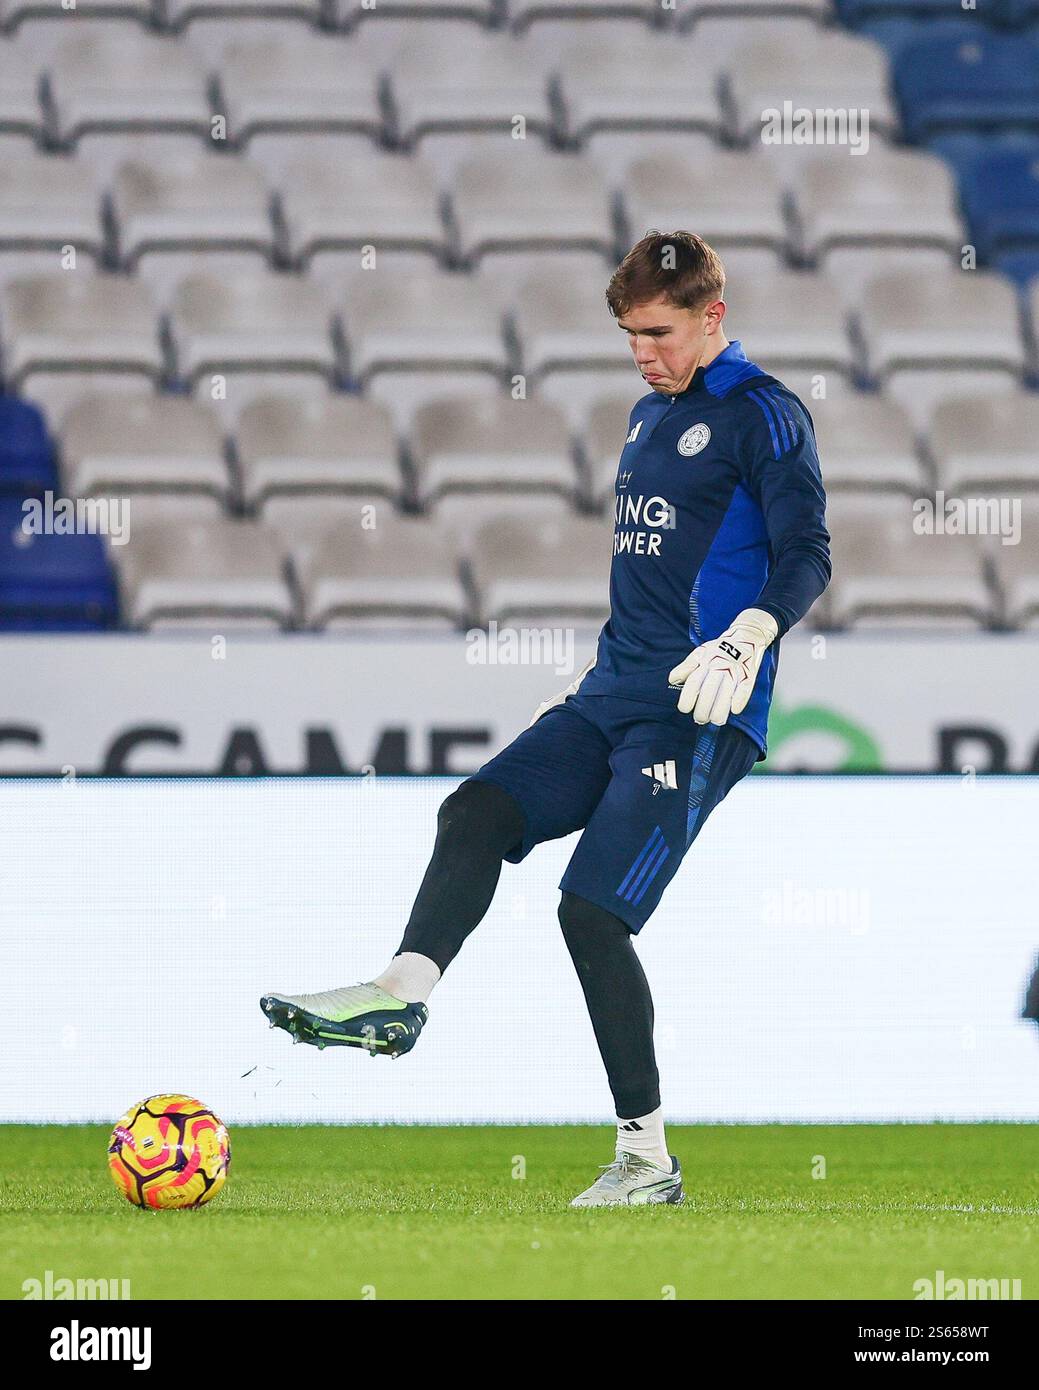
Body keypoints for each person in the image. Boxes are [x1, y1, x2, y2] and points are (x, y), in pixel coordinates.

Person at [261, 231, 831, 1207]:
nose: (643, 351)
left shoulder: (763, 413)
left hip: (698, 711)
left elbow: (806, 550)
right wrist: (587, 683)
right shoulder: (648, 419)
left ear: (711, 316)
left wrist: (750, 634)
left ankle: (646, 1159)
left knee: (589, 913)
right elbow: (652, 578)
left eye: (658, 331)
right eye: (629, 334)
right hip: (608, 698)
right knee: (474, 809)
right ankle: (399, 997)